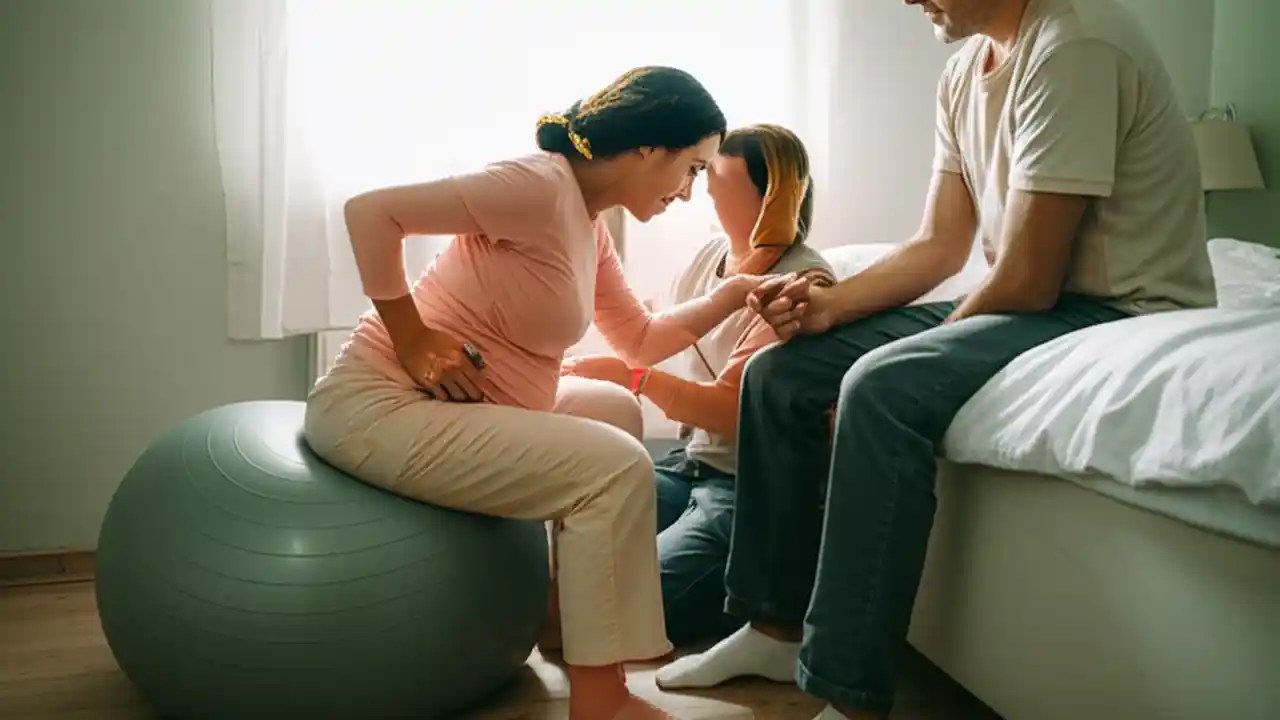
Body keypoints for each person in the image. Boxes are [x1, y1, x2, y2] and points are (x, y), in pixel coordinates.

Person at [655, 1, 1216, 719]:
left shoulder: (1076, 45)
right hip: (1038, 299)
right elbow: (941, 246)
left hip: (1118, 307)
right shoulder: (963, 74)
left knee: (882, 386)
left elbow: (1030, 274)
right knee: (779, 374)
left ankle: (845, 686)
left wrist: (907, 345)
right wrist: (830, 307)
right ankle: (771, 625)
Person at [303, 66, 771, 720]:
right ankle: (601, 698)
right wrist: (410, 337)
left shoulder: (588, 220)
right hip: (379, 407)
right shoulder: (536, 184)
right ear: (647, 149)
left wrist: (736, 292)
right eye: (691, 169)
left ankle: (566, 612)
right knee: (612, 470)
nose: (690, 192)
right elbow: (372, 212)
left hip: (467, 404)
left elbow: (637, 338)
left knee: (614, 409)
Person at [562, 124, 835, 645]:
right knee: (581, 555)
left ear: (770, 192)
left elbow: (731, 410)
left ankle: (750, 595)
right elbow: (652, 328)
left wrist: (635, 379)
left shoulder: (803, 285)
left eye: (714, 173)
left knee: (621, 606)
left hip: (744, 489)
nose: (700, 185)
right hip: (688, 466)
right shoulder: (706, 258)